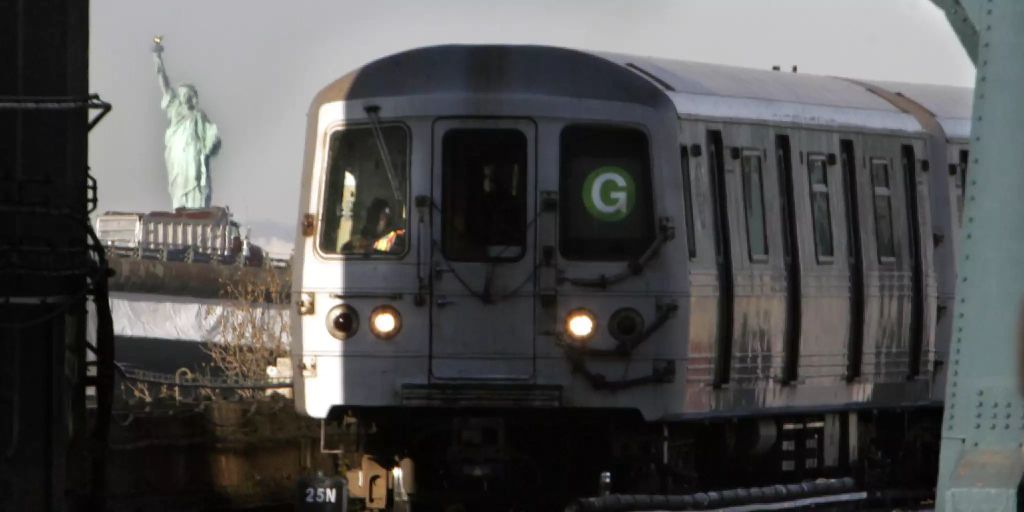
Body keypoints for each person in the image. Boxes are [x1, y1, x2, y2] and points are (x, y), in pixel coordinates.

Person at [152, 36, 220, 209]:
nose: (184, 97)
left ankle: (196, 211)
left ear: (193, 97)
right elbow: (164, 85)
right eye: (182, 95)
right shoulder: (175, 110)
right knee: (180, 185)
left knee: (195, 187)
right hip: (178, 158)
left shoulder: (199, 115)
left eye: (187, 95)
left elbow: (211, 137)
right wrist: (158, 59)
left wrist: (211, 141)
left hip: (194, 157)